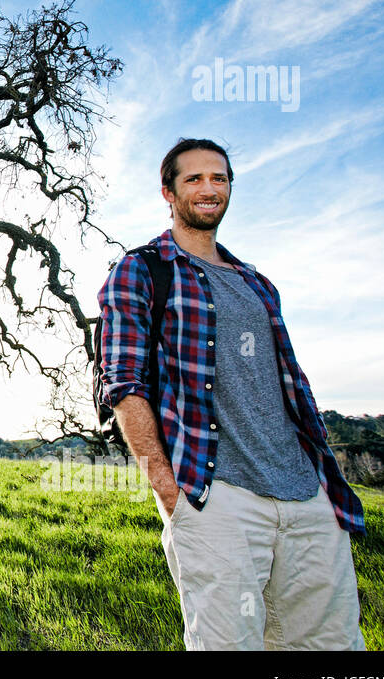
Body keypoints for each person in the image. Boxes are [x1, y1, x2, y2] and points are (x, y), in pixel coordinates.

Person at [97, 137, 365, 650]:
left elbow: (287, 383)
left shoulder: (257, 283)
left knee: (331, 645)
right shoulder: (142, 269)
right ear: (168, 192)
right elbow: (123, 381)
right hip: (213, 493)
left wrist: (321, 475)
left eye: (218, 178)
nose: (208, 188)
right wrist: (167, 489)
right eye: (193, 178)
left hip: (305, 492)